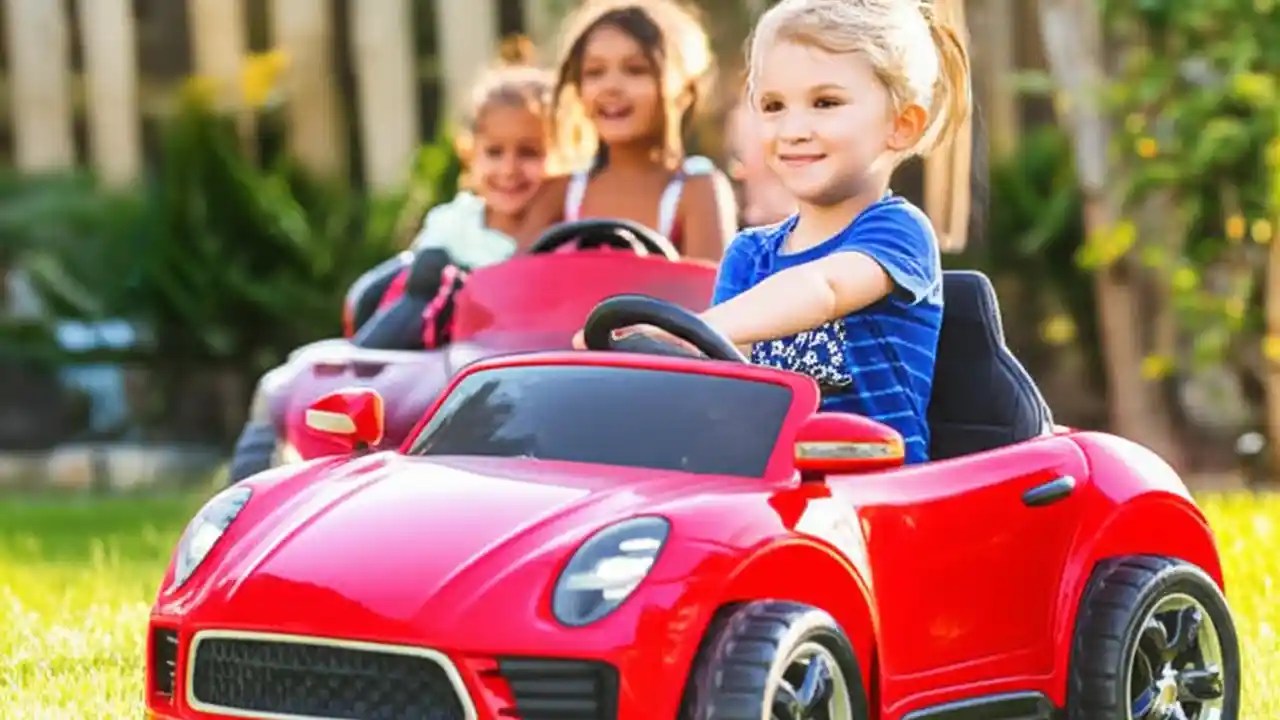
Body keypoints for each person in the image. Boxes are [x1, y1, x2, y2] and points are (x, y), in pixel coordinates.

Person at [575, 0, 972, 464]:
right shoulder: (749, 254)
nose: (793, 129)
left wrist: (690, 329)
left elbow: (823, 289)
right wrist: (640, 363)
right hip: (771, 491)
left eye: (825, 103)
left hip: (880, 495)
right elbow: (721, 382)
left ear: (900, 127)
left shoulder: (898, 232)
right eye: (773, 106)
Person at [348, 36, 557, 347]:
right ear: (470, 153)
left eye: (528, 153)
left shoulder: (563, 234)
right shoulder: (454, 224)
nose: (508, 169)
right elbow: (400, 297)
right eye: (495, 152)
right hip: (444, 368)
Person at [517, 0, 737, 262]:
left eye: (635, 70)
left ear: (684, 90)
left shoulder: (696, 190)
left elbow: (713, 293)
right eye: (595, 72)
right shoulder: (559, 194)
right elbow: (517, 286)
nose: (611, 86)